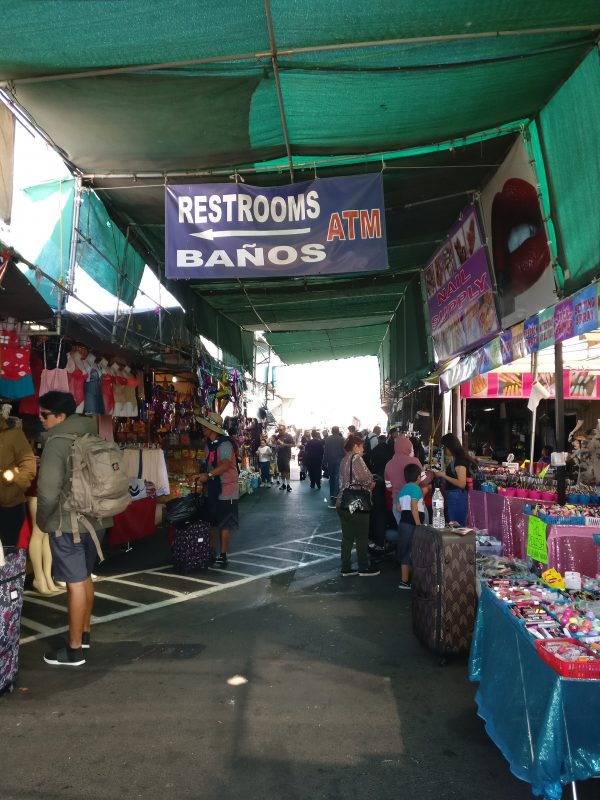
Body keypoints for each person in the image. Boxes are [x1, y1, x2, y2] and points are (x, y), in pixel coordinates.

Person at [37, 391, 109, 667]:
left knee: (75, 582)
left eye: (45, 415)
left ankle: (75, 649)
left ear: (61, 417)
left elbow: (47, 492)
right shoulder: (92, 434)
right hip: (97, 519)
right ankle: (85, 633)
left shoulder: (57, 444)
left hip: (69, 523)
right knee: (85, 576)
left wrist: (44, 521)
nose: (40, 420)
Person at [196, 411, 239, 567]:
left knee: (225, 523)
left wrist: (207, 475)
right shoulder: (208, 444)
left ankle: (223, 555)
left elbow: (225, 465)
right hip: (213, 487)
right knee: (212, 522)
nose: (202, 428)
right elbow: (209, 464)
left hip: (227, 487)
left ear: (211, 428)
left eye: (205, 426)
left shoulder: (225, 444)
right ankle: (211, 550)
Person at [336, 434, 379, 577]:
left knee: (347, 537)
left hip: (342, 502)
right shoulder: (356, 459)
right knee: (361, 536)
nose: (363, 449)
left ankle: (346, 568)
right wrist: (372, 483)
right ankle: (363, 567)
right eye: (361, 446)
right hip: (357, 503)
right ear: (355, 446)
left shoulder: (343, 460)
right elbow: (364, 478)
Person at [0, 410, 36, 548]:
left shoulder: (13, 434)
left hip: (9, 506)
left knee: (8, 553)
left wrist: (14, 488)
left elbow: (28, 464)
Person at [433, 433, 478, 526]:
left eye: (444, 447)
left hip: (457, 497)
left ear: (450, 446)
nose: (444, 450)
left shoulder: (459, 461)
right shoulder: (459, 458)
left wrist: (443, 475)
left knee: (457, 526)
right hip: (457, 496)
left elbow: (461, 483)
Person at [395, 463, 426, 590]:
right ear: (418, 477)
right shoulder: (416, 489)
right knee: (414, 550)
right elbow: (414, 506)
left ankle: (404, 581)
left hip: (403, 522)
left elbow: (398, 507)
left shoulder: (402, 489)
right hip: (412, 524)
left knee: (405, 551)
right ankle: (416, 580)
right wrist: (418, 524)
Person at [384, 436, 423, 527]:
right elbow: (423, 481)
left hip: (398, 505)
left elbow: (388, 487)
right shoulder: (415, 461)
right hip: (416, 502)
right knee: (421, 534)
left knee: (404, 533)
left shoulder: (388, 464)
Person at [323, 425, 345, 508]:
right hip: (339, 460)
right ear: (338, 431)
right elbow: (344, 451)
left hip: (330, 460)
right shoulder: (342, 439)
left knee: (331, 477)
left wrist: (324, 461)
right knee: (337, 478)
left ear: (332, 431)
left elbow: (326, 451)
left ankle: (332, 494)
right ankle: (336, 495)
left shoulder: (328, 439)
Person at [275, 423, 294, 492]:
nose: (279, 431)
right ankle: (283, 484)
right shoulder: (277, 436)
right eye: (278, 430)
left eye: (281, 430)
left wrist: (284, 444)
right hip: (279, 455)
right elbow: (276, 445)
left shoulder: (289, 436)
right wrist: (277, 448)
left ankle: (288, 485)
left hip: (286, 456)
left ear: (284, 429)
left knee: (287, 470)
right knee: (281, 470)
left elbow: (293, 444)